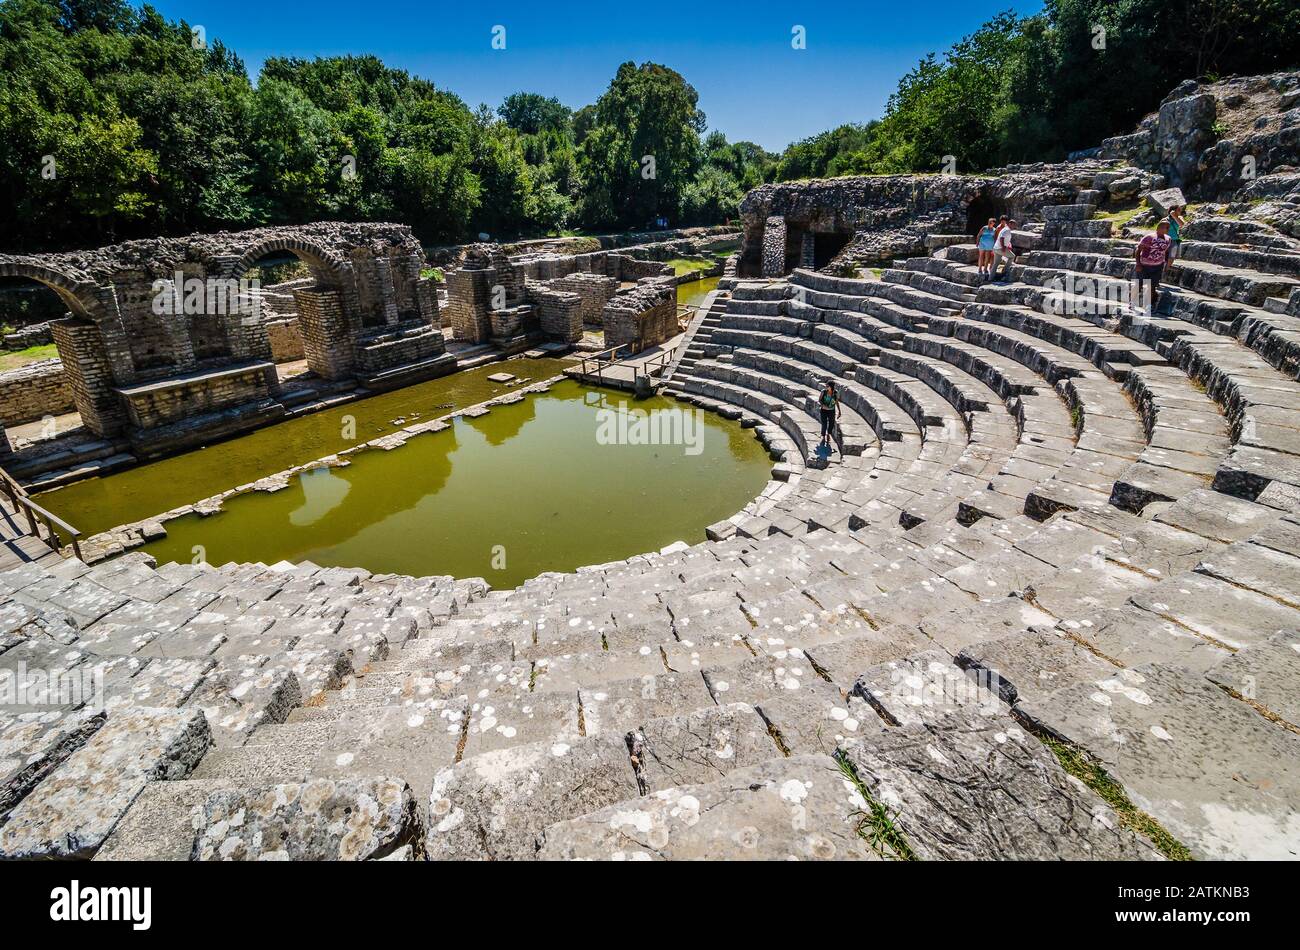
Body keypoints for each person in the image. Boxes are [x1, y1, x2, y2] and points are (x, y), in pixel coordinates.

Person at [1134, 219, 1173, 313]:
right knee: (1138, 285)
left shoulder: (1168, 239)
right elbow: (1138, 250)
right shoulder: (1149, 237)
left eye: (1168, 228)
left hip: (1157, 266)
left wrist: (1166, 263)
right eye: (1165, 227)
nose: (1167, 229)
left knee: (1152, 286)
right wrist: (1138, 264)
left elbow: (1166, 252)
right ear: (1159, 228)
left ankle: (1148, 306)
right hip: (1144, 265)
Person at [818, 381, 839, 449]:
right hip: (823, 410)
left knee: (831, 423)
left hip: (831, 410)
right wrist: (823, 405)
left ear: (831, 387)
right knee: (824, 423)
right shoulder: (823, 391)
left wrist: (839, 411)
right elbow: (820, 400)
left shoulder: (835, 393)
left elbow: (836, 401)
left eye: (828, 386)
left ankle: (828, 434)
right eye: (826, 386)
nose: (826, 387)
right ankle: (823, 436)